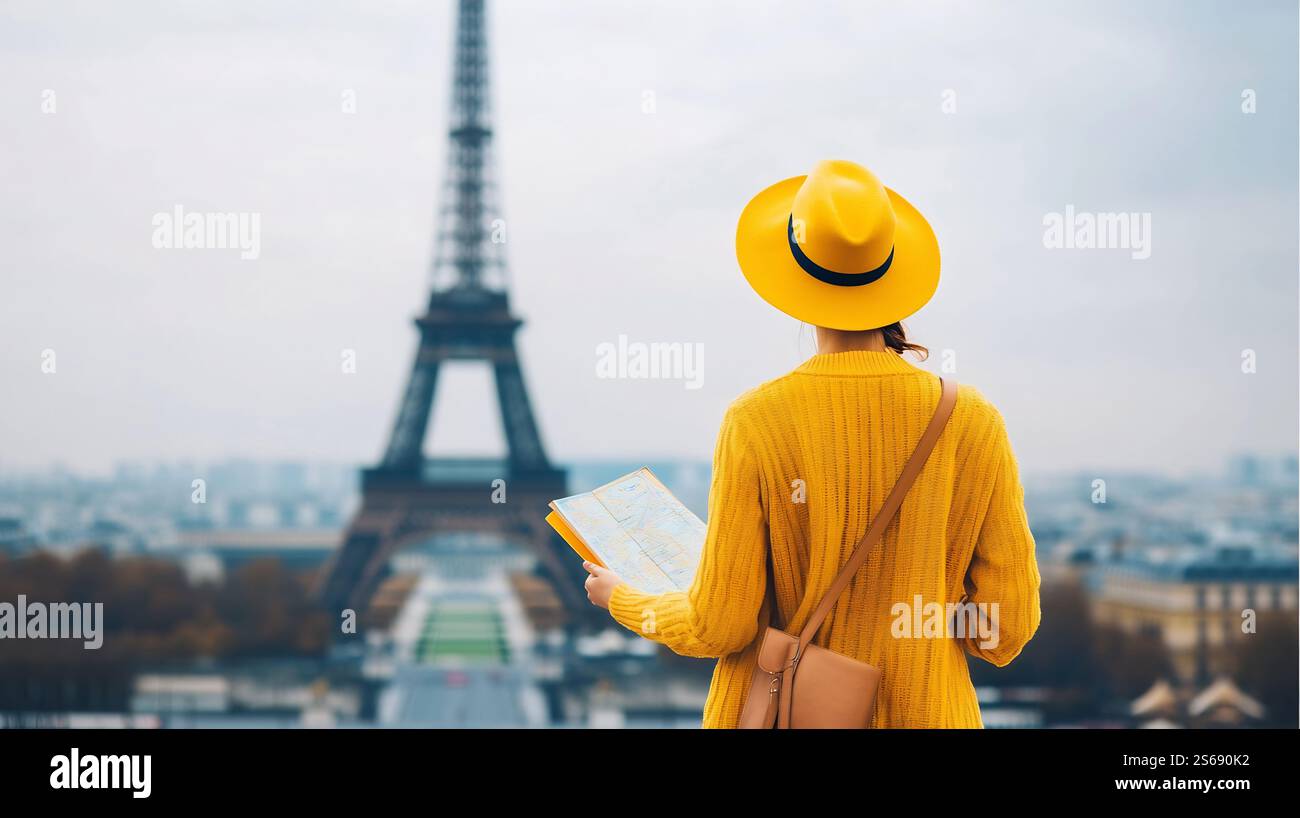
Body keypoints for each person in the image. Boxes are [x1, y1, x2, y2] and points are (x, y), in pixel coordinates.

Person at [582, 159, 1041, 728]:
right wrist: (908, 616)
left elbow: (720, 626)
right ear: (892, 275)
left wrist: (622, 598)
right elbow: (1004, 629)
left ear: (793, 279)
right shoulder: (973, 420)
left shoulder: (758, 419)